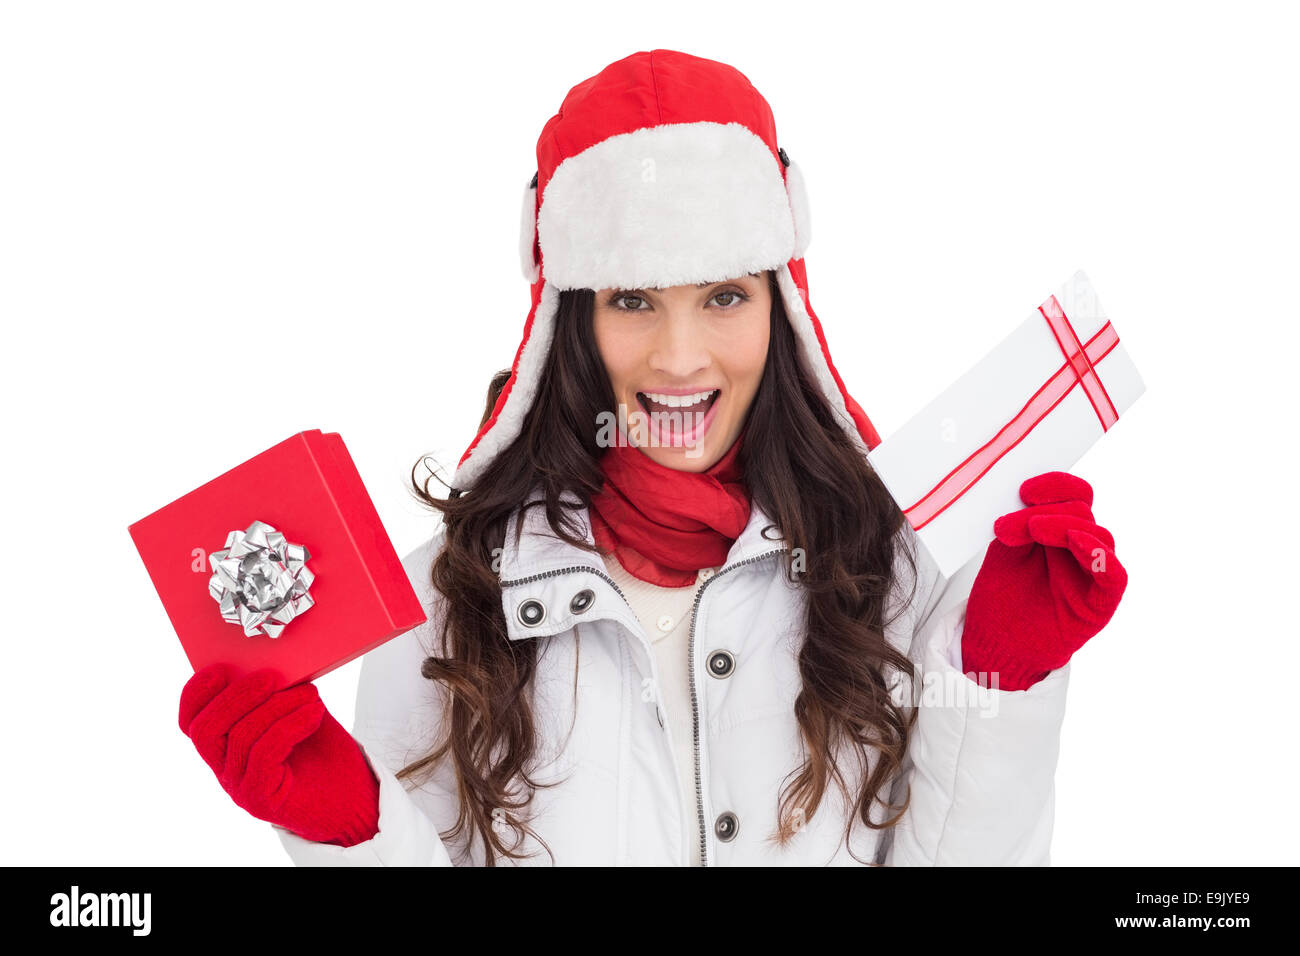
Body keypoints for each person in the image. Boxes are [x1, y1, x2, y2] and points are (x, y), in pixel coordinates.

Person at [178, 49, 1128, 866]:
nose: (680, 358)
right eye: (633, 300)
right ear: (570, 324)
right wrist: (351, 832)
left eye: (724, 296)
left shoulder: (884, 571)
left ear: (783, 310)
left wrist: (999, 675)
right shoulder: (447, 602)